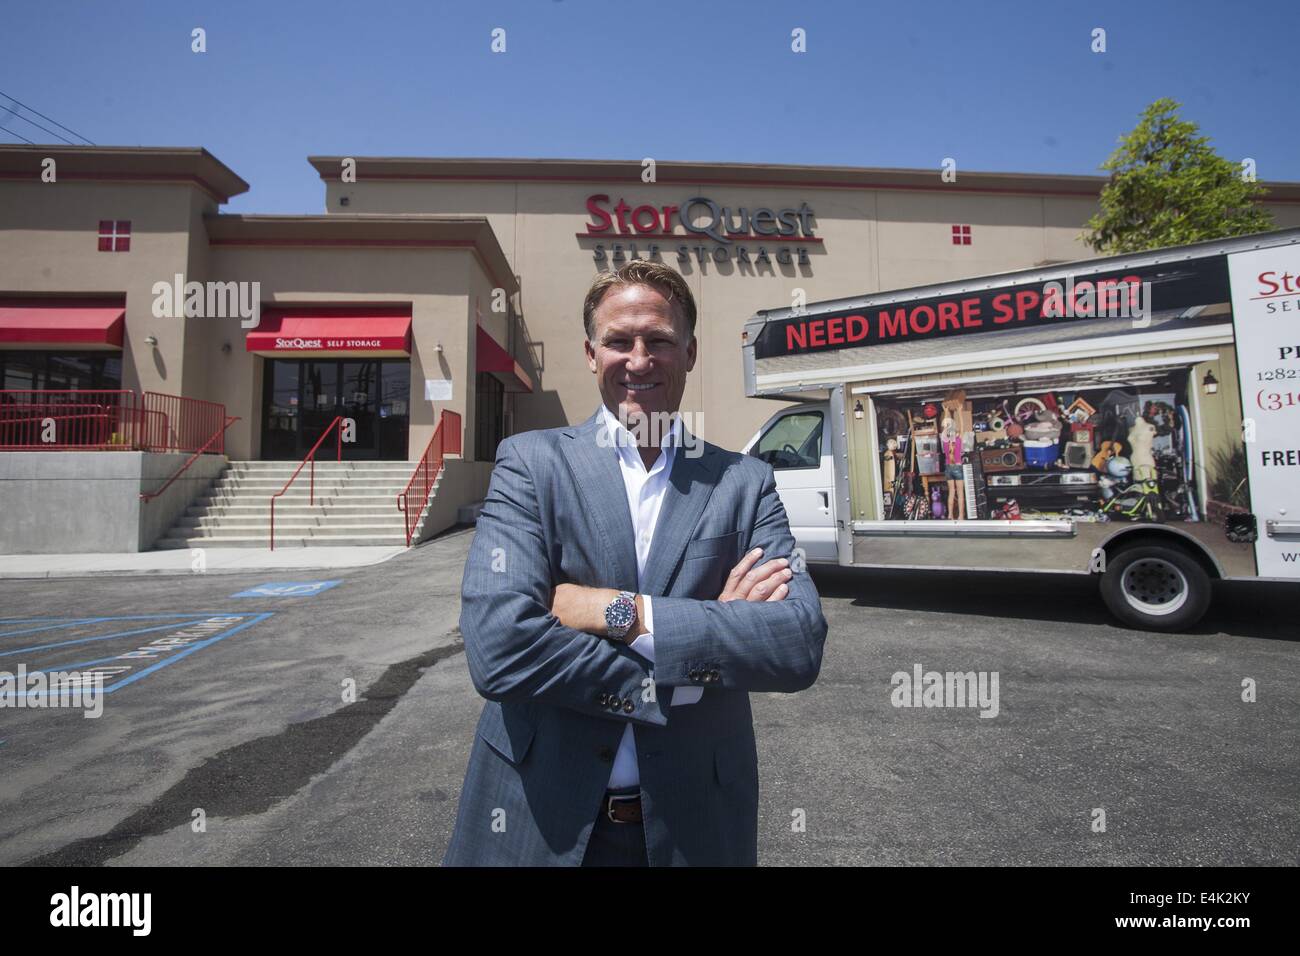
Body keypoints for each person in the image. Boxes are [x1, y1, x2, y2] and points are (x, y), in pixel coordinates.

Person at [441, 260, 828, 866]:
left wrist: (612, 611)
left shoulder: (743, 483)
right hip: (540, 817)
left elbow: (796, 643)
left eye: (660, 340)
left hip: (693, 827)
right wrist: (700, 653)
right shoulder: (530, 464)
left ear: (691, 352)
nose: (639, 359)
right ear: (592, 353)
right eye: (619, 341)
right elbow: (501, 649)